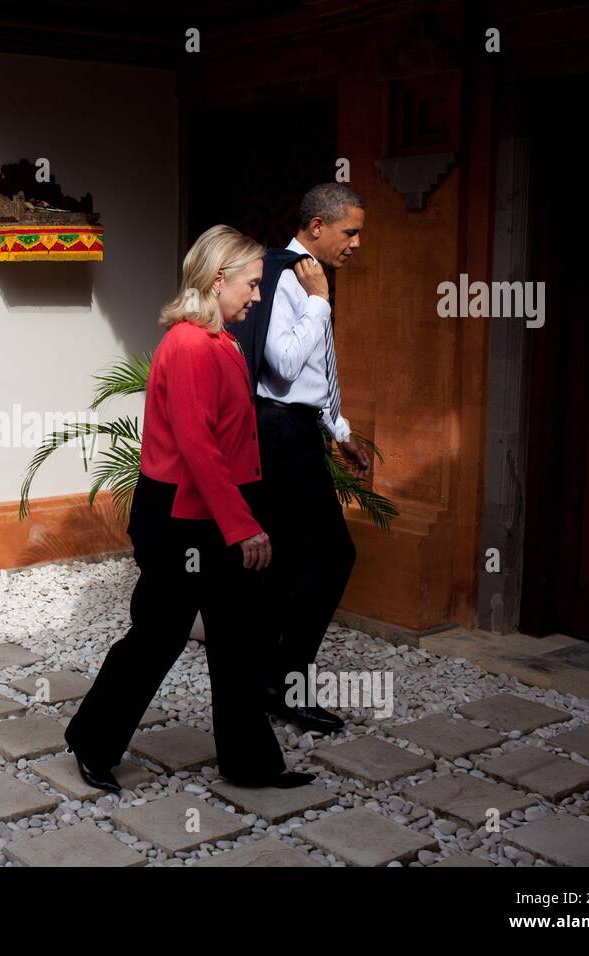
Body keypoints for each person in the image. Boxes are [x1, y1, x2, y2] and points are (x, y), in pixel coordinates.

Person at [63, 225, 314, 792]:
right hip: (182, 520)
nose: (256, 296)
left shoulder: (218, 339)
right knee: (157, 637)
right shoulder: (190, 344)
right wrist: (243, 526)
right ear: (218, 278)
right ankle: (93, 741)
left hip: (215, 508)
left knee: (239, 639)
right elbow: (199, 449)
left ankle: (249, 762)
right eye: (251, 285)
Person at [232, 183, 369, 734]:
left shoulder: (307, 279)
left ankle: (270, 682)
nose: (357, 243)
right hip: (279, 435)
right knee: (334, 557)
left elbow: (318, 373)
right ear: (317, 226)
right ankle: (285, 683)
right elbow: (286, 367)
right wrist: (319, 301)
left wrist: (339, 428)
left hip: (301, 429)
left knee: (289, 564)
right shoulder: (282, 277)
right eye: (350, 231)